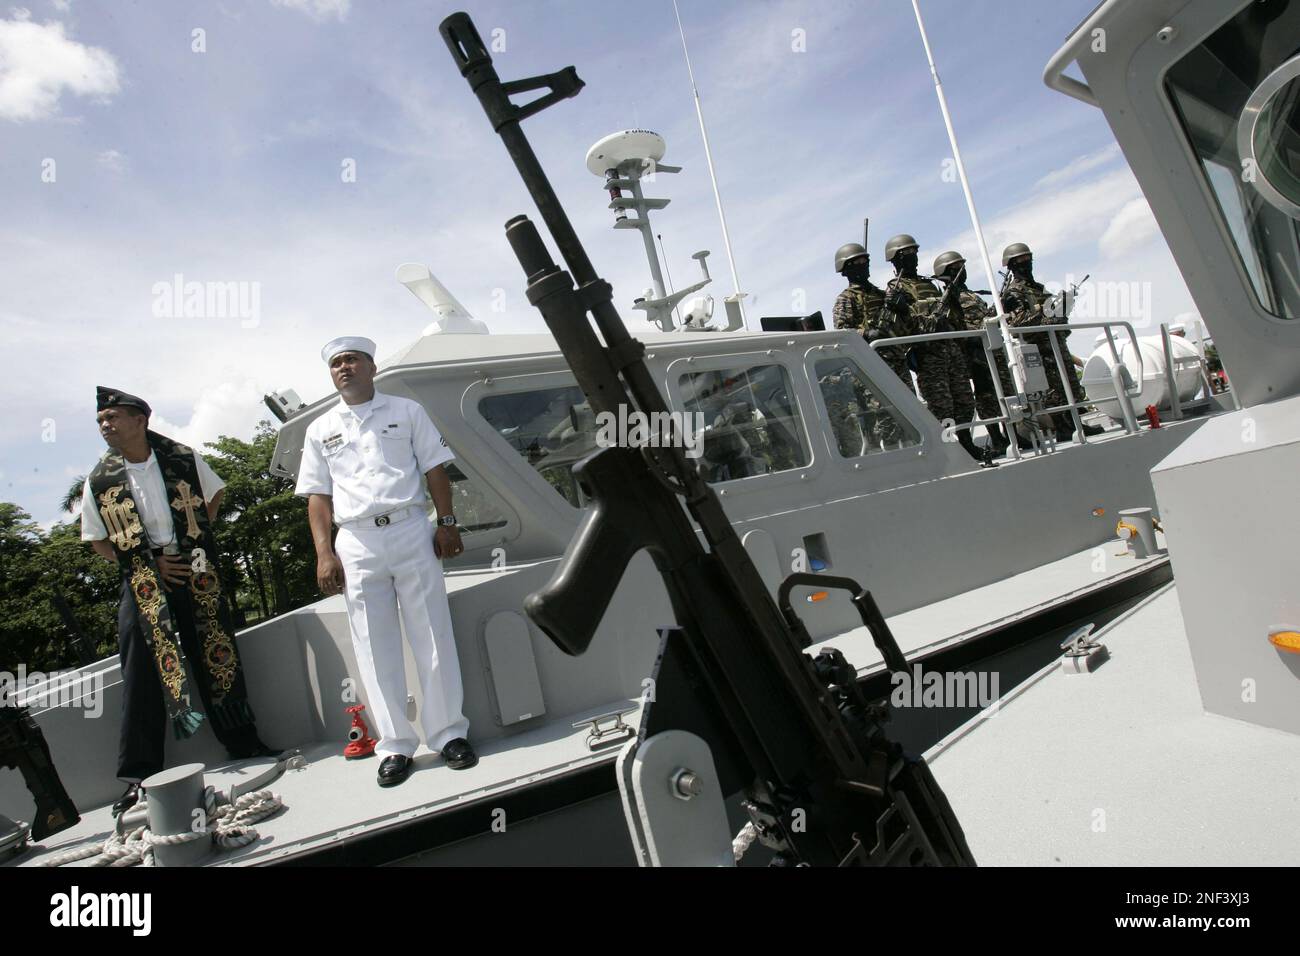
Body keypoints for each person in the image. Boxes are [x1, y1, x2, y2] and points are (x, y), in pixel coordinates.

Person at [81, 387, 273, 817]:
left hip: (193, 569)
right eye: (100, 421)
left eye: (112, 417)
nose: (105, 426)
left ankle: (244, 741)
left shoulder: (182, 458)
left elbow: (214, 494)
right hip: (144, 582)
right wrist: (146, 566)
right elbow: (97, 540)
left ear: (140, 419)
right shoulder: (101, 480)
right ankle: (138, 776)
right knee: (141, 673)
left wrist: (191, 542)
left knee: (215, 652)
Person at [296, 336, 475, 787]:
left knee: (432, 632)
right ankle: (395, 746)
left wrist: (447, 522)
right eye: (336, 363)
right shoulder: (319, 430)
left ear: (371, 367)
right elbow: (317, 496)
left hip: (412, 527)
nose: (344, 368)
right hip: (355, 540)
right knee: (374, 647)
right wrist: (324, 553)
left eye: (352, 360)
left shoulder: (406, 412)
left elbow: (435, 469)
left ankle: (449, 734)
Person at [882, 234, 982, 460]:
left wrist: (954, 303)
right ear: (896, 259)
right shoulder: (896, 289)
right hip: (928, 354)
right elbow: (904, 325)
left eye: (915, 252)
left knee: (964, 399)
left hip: (950, 348)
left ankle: (966, 442)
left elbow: (955, 322)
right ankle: (947, 450)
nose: (914, 258)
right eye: (907, 254)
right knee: (941, 405)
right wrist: (924, 320)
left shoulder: (930, 285)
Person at [1000, 242, 1102, 442]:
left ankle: (1075, 423)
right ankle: (1063, 428)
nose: (1026, 264)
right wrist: (1046, 313)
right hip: (1038, 347)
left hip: (1055, 342)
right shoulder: (1012, 293)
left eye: (1028, 259)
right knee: (1053, 389)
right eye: (1021, 260)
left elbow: (1052, 315)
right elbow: (1018, 322)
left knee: (1070, 384)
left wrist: (1064, 305)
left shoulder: (1037, 288)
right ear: (1011, 265)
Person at [932, 251, 1012, 456]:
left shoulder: (972, 295)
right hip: (971, 353)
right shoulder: (947, 299)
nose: (961, 271)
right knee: (984, 395)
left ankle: (1009, 434)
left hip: (988, 348)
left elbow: (983, 319)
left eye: (961, 267)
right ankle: (996, 437)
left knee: (1003, 391)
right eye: (955, 268)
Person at [831, 242, 906, 450]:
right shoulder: (845, 300)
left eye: (865, 261)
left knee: (908, 411)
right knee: (884, 417)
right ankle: (893, 458)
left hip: (895, 360)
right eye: (857, 262)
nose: (863, 265)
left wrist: (901, 309)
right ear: (846, 269)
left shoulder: (881, 295)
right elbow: (842, 333)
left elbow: (901, 327)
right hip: (870, 367)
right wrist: (866, 333)